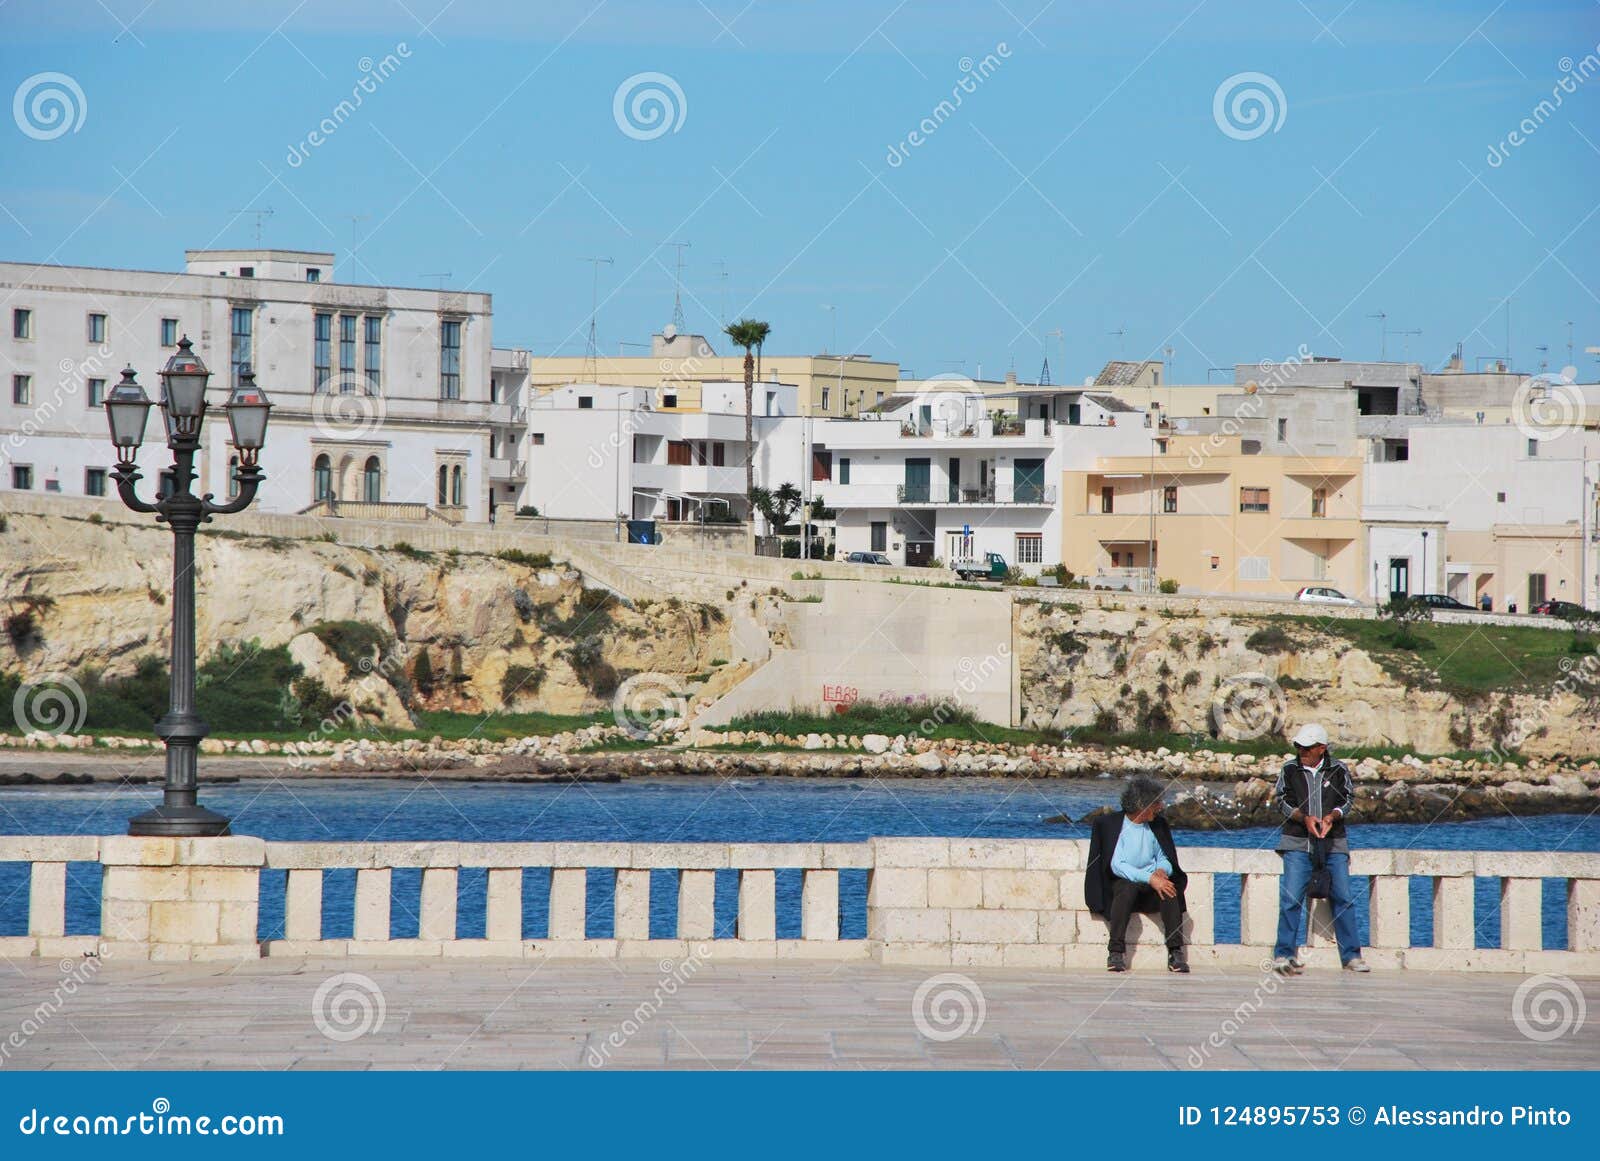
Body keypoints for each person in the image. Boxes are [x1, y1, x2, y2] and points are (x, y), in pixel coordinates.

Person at [1272, 723, 1369, 974]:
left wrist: (1332, 817)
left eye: (1306, 747)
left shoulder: (1338, 770)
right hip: (1297, 842)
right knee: (1291, 899)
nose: (1301, 751)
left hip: (1333, 842)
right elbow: (1280, 799)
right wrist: (1301, 817)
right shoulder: (1289, 769)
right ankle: (1283, 955)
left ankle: (1351, 956)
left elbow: (1348, 800)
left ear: (1321, 748)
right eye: (1298, 746)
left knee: (1344, 898)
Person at [1085, 775, 1189, 973]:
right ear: (1143, 805)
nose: (1160, 807)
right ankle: (1115, 952)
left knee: (1169, 890)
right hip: (1124, 882)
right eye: (1156, 803)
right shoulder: (1112, 825)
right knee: (1126, 889)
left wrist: (1162, 870)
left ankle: (1175, 952)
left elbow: (1163, 856)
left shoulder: (1157, 825)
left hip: (1151, 883)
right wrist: (1150, 878)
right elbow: (1117, 865)